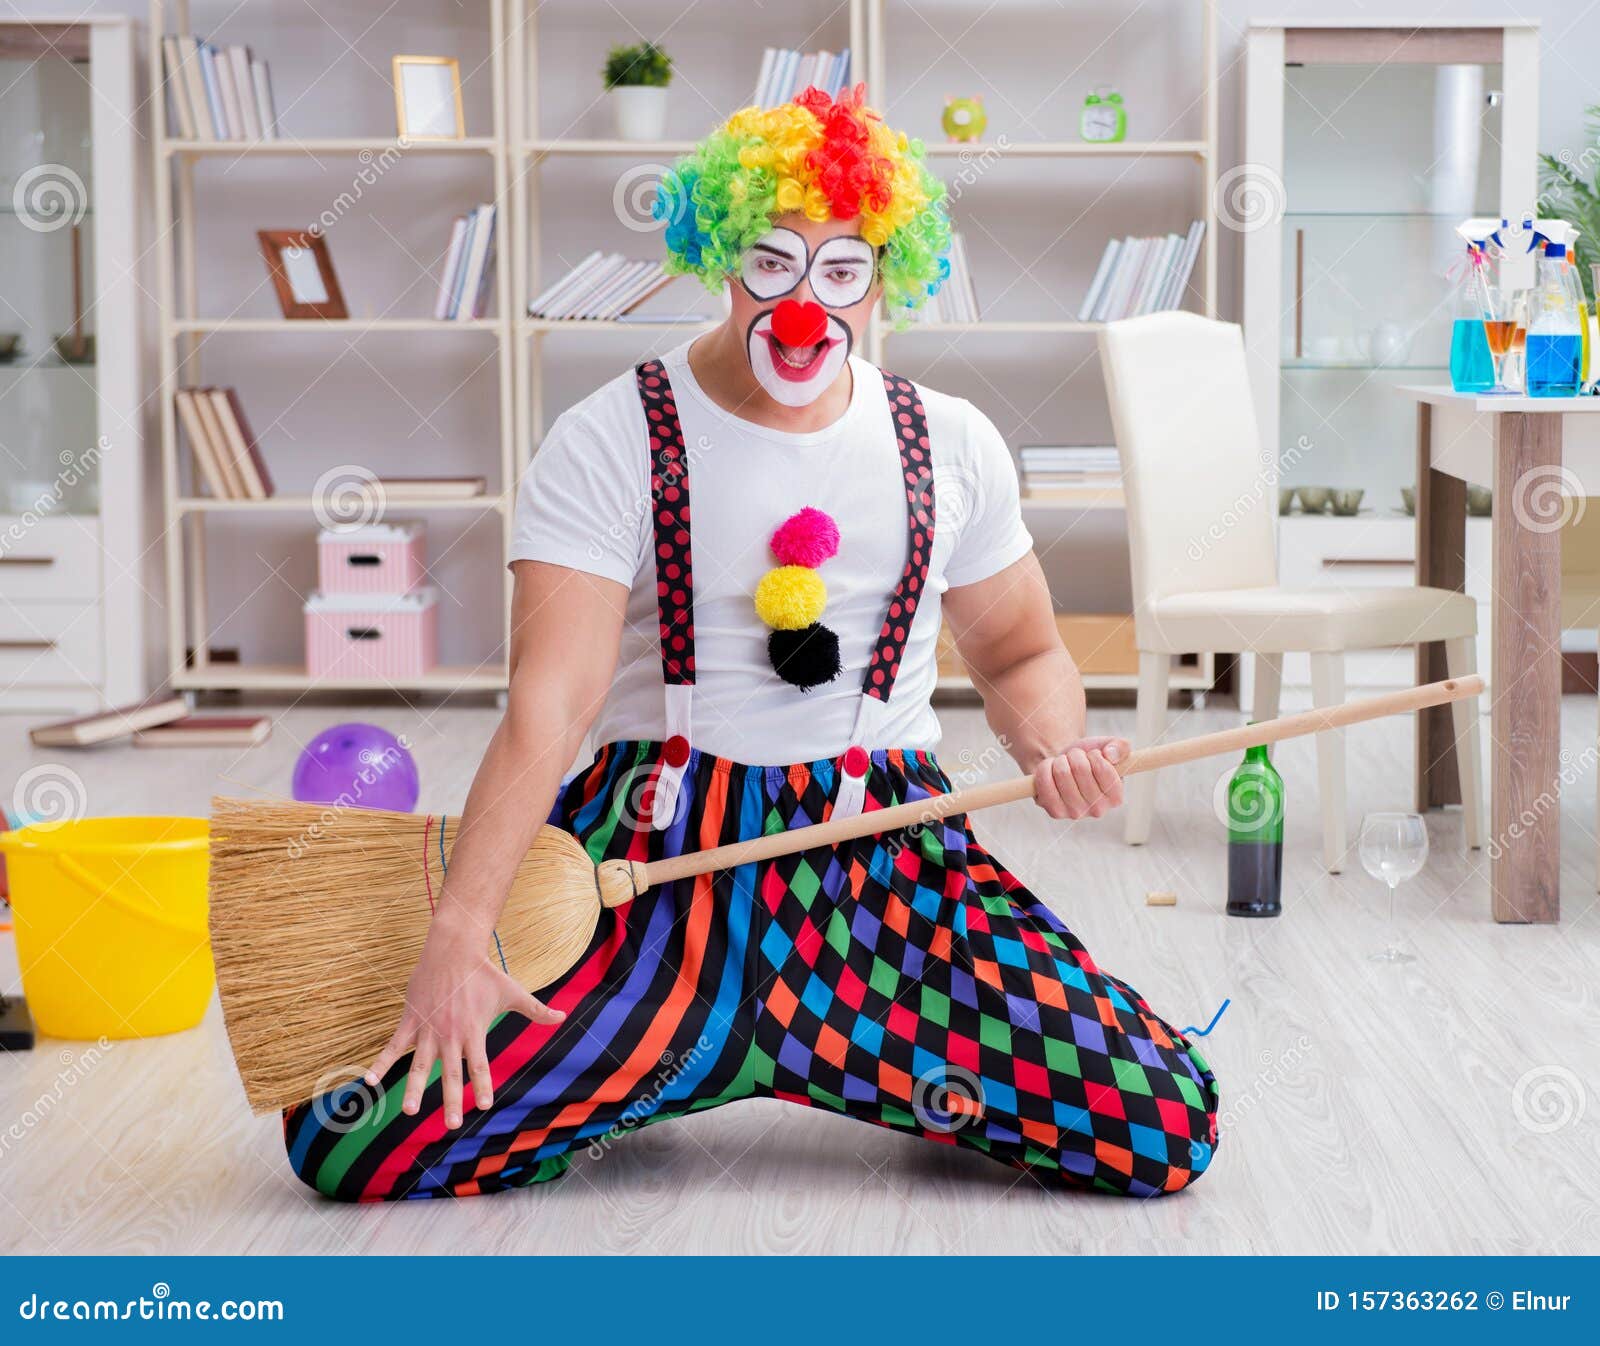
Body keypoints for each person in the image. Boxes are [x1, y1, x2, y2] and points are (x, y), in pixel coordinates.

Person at [284, 86, 1219, 1202]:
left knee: (1163, 1123)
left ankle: (891, 1059)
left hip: (889, 866)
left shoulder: (951, 440)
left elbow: (1020, 655)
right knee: (348, 1137)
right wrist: (462, 925)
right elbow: (552, 705)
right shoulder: (612, 434)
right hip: (651, 873)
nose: (803, 304)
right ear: (723, 258)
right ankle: (664, 1057)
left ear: (882, 276)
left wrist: (1052, 744)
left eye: (841, 270)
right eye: (773, 263)